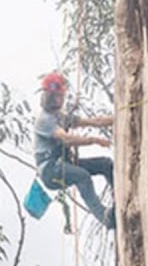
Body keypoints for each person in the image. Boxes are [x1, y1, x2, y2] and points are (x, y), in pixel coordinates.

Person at [33, 72, 116, 230]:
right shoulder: (45, 120)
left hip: (62, 164)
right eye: (57, 96)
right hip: (51, 170)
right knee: (82, 176)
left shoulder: (60, 117)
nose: (60, 99)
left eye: (60, 95)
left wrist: (118, 117)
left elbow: (95, 121)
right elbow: (67, 139)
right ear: (49, 97)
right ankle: (105, 217)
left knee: (105, 164)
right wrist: (94, 140)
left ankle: (120, 200)